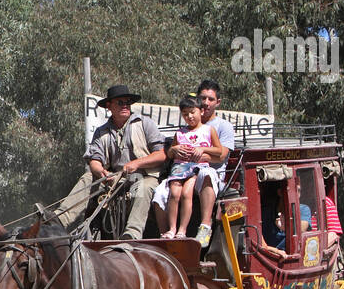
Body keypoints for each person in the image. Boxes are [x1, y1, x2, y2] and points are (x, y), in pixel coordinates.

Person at [53, 84, 167, 239]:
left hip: (143, 177)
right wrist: (102, 172)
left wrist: (137, 163)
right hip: (114, 180)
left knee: (143, 186)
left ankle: (131, 234)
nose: (125, 106)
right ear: (109, 106)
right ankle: (57, 221)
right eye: (120, 102)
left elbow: (161, 155)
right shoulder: (101, 131)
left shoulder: (144, 123)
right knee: (88, 178)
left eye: (128, 102)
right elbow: (94, 160)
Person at [153, 79, 234, 248]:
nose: (206, 103)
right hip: (182, 170)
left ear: (217, 102)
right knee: (160, 191)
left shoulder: (221, 127)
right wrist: (174, 151)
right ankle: (165, 233)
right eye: (203, 98)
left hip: (208, 172)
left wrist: (199, 154)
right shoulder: (185, 128)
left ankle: (205, 226)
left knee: (206, 174)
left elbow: (221, 155)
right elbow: (171, 151)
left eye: (210, 99)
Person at [160, 94, 216, 239]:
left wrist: (203, 149)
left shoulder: (208, 130)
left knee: (186, 194)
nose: (190, 117)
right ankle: (172, 228)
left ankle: (182, 230)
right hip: (179, 167)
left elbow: (219, 150)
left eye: (193, 112)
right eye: (185, 114)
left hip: (196, 168)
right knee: (174, 193)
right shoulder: (179, 133)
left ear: (201, 112)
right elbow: (171, 153)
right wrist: (175, 149)